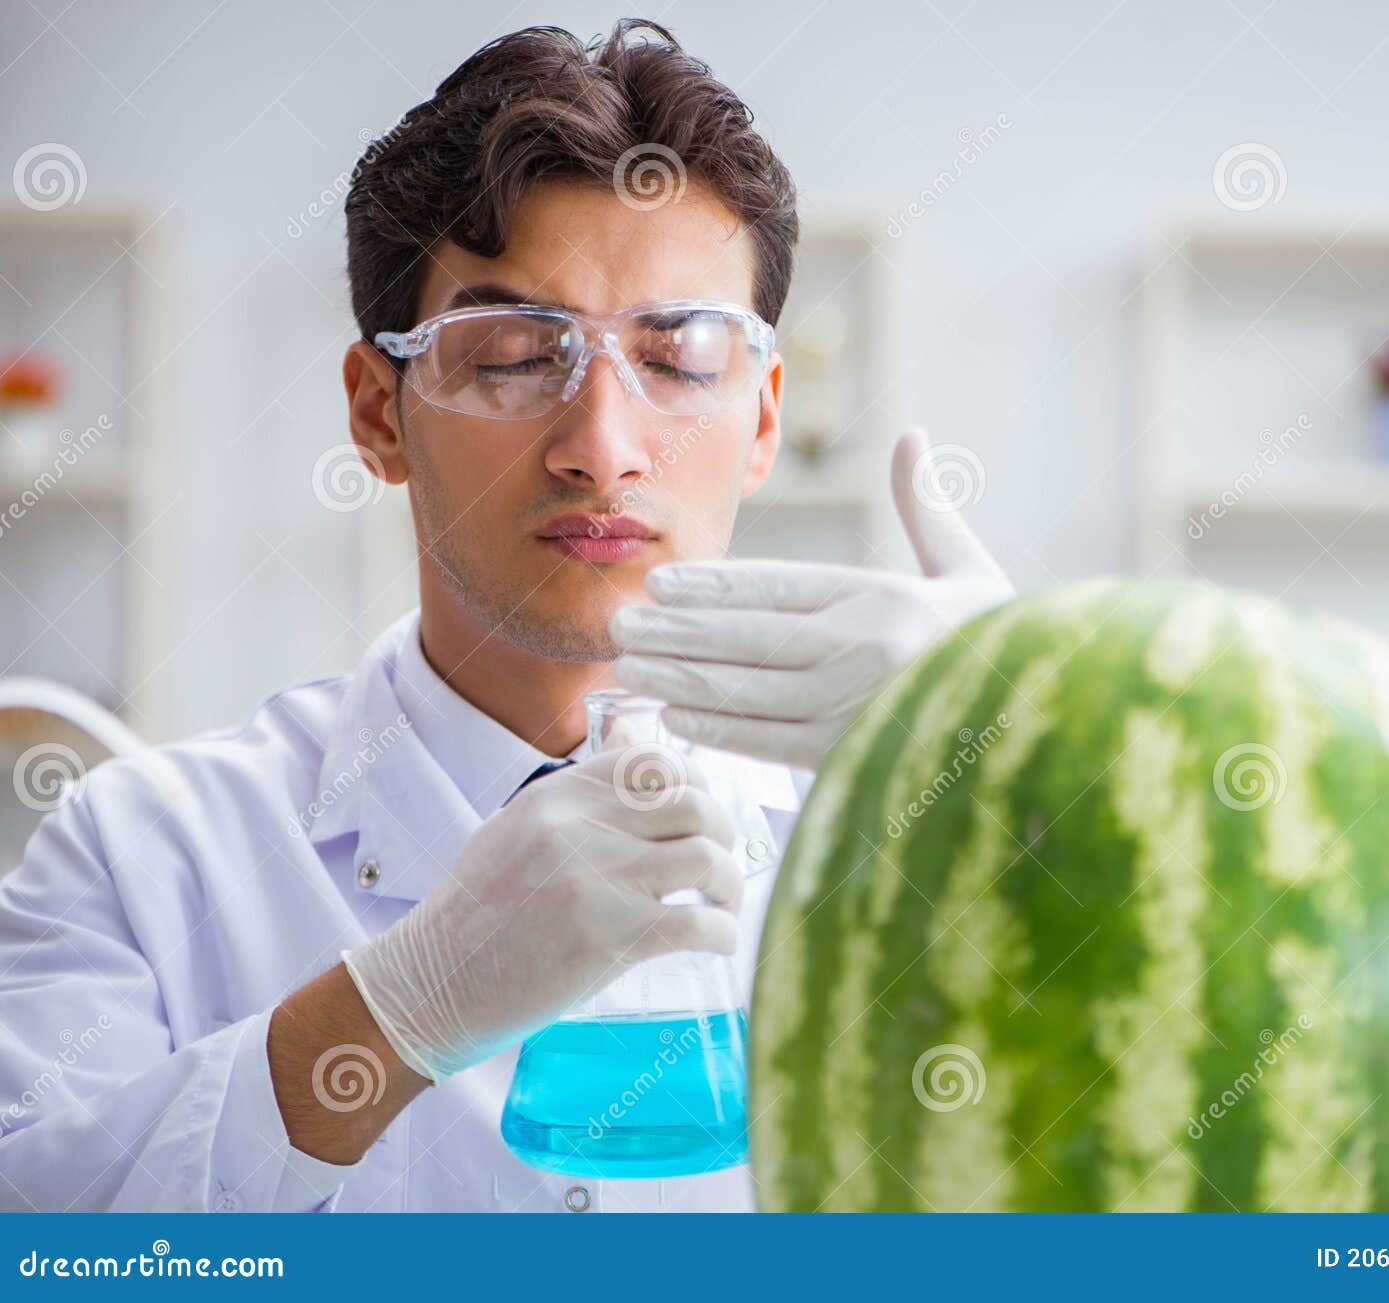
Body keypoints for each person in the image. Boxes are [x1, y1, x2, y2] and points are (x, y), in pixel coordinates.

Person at [0, 19, 1011, 1213]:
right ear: (379, 413)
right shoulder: (141, 853)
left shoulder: (914, 843)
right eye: (517, 353)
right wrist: (394, 1010)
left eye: (679, 356)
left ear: (764, 420)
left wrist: (1044, 750)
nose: (601, 448)